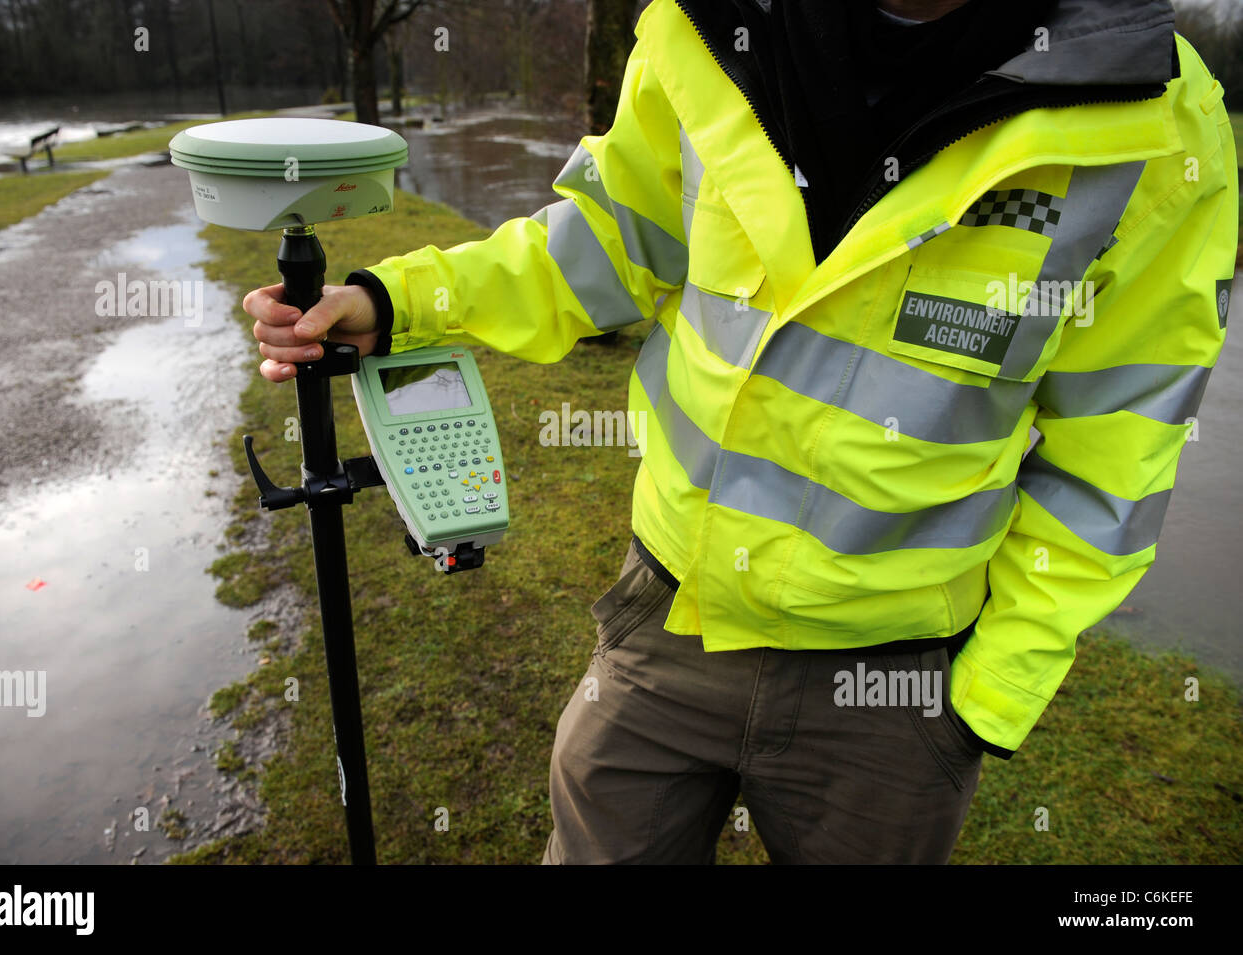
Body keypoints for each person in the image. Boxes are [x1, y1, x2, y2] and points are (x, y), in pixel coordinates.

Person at [243, 0, 1237, 864]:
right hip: (665, 620)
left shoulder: (1149, 120)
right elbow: (605, 242)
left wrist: (988, 692)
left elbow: (1118, 446)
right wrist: (393, 299)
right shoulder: (701, 25)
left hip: (897, 683)